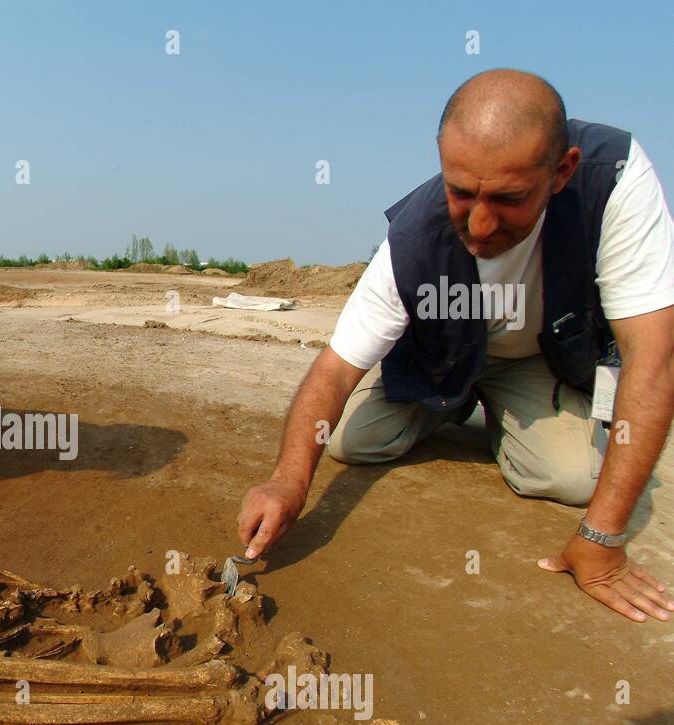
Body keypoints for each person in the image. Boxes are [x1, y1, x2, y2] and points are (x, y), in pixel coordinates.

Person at [237, 69, 674, 623]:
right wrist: (286, 482)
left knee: (574, 480)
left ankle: (503, 413)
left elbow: (652, 357)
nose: (482, 223)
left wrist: (603, 539)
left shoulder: (613, 180)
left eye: (509, 198)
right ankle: (455, 402)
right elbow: (334, 371)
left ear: (562, 170)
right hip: (443, 360)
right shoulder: (412, 240)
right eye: (461, 192)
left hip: (535, 359)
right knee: (350, 441)